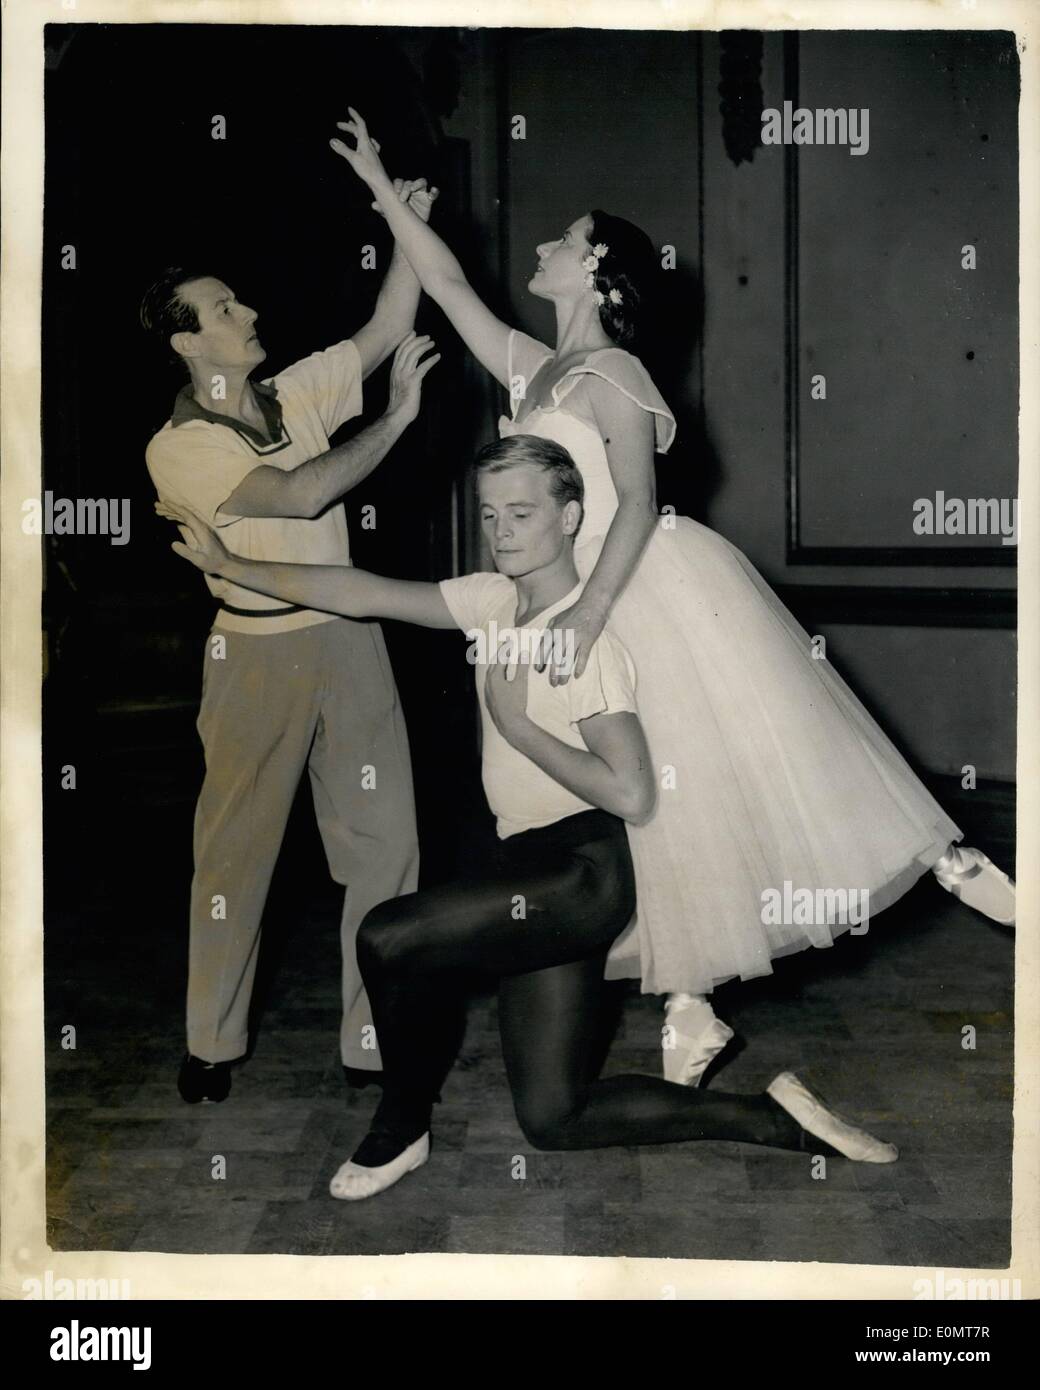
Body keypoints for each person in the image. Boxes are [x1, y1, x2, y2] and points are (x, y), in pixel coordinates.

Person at [328, 109, 1016, 1089]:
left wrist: (585, 616)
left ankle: (942, 858)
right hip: (585, 589)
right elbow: (442, 283)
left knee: (731, 770)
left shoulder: (613, 370)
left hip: (636, 581)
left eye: (560, 239)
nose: (538, 245)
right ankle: (688, 997)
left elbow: (638, 504)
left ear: (597, 267)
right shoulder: (538, 370)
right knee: (652, 807)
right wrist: (381, 190)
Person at [157, 434, 899, 1199]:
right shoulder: (492, 603)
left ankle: (401, 1123)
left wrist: (520, 729)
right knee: (555, 1117)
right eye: (489, 513)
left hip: (585, 871)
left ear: (571, 517)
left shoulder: (584, 640)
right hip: (530, 873)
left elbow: (634, 794)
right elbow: (363, 590)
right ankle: (774, 1118)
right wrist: (233, 567)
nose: (502, 529)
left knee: (388, 937)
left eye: (521, 512)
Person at [141, 233, 439, 1102]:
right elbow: (301, 494)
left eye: (241, 300)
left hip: (350, 638)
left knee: (388, 846)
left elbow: (387, 324)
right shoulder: (178, 447)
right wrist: (396, 418)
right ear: (187, 343)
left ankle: (371, 1044)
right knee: (235, 857)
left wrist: (402, 220)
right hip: (254, 653)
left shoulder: (293, 389)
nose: (249, 313)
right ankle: (211, 1041)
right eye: (224, 310)